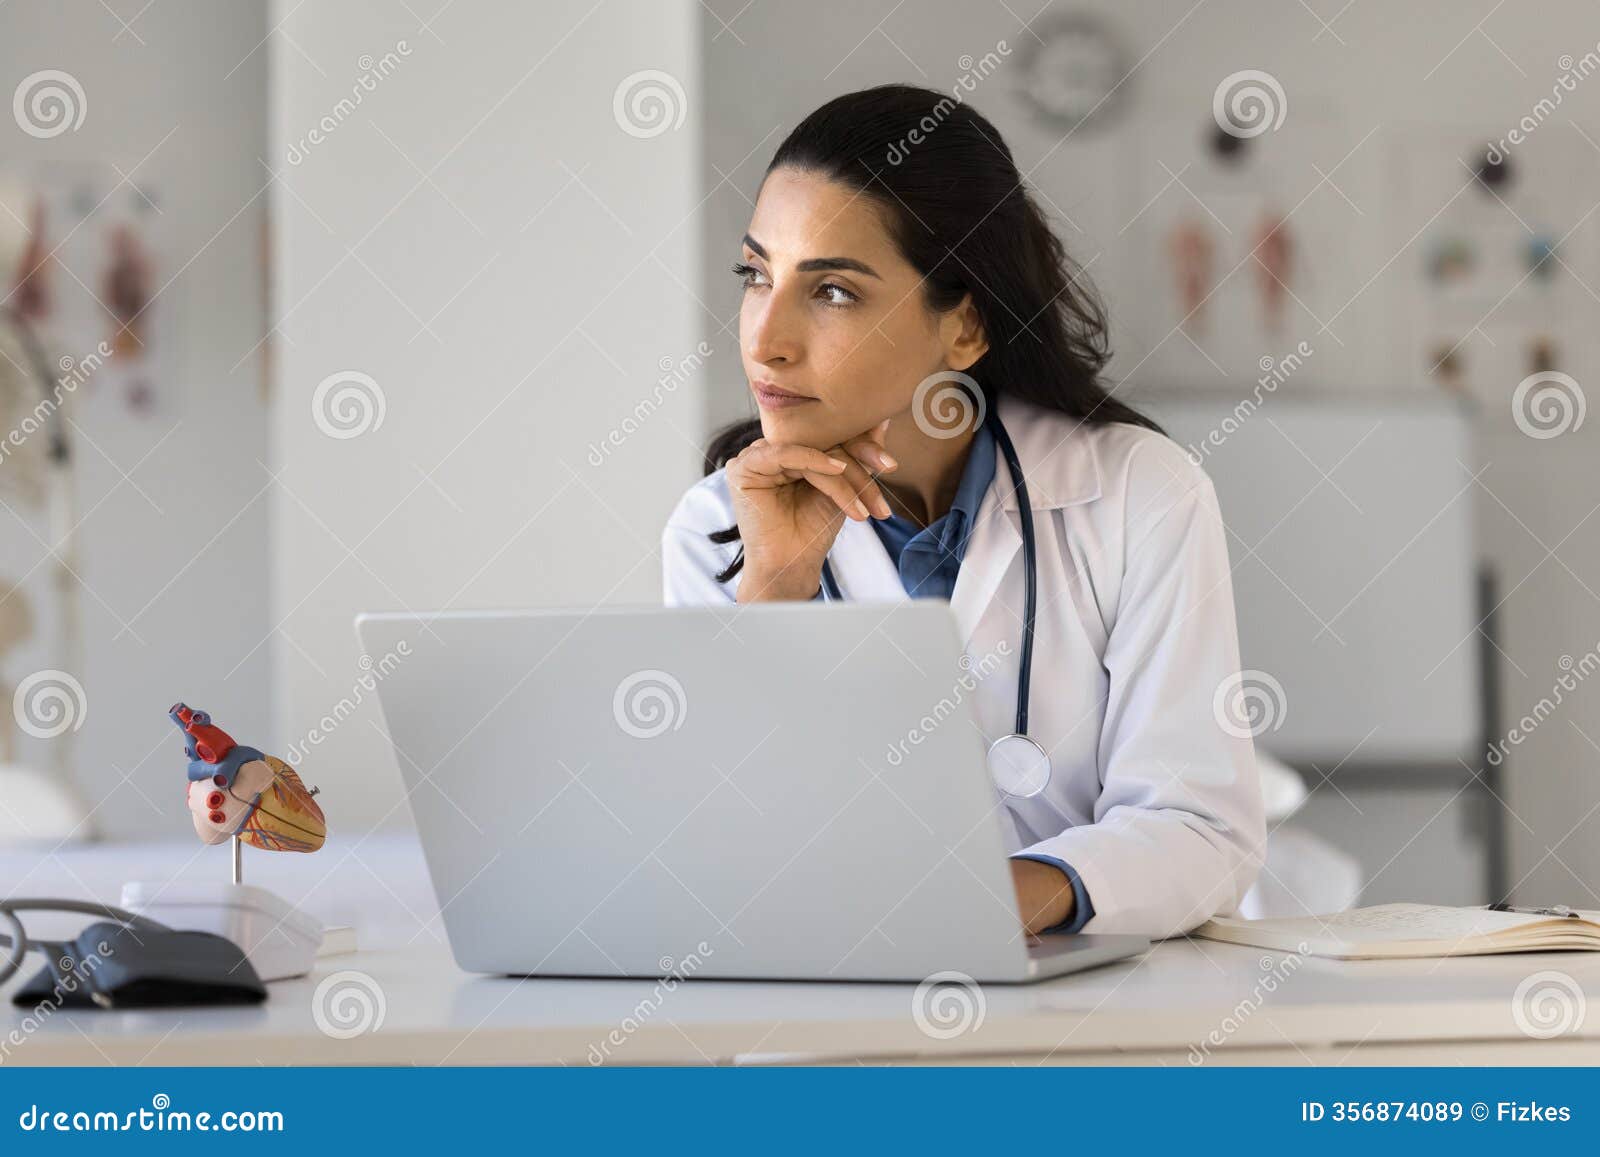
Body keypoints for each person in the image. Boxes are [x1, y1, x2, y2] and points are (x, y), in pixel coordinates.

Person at [662, 84, 1263, 939]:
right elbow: (713, 851)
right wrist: (777, 586)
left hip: (1090, 1021)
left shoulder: (1140, 494)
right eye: (758, 275)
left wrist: (1006, 895)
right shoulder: (715, 528)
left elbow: (1204, 829)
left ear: (966, 327)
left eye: (832, 290)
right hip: (828, 1025)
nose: (766, 338)